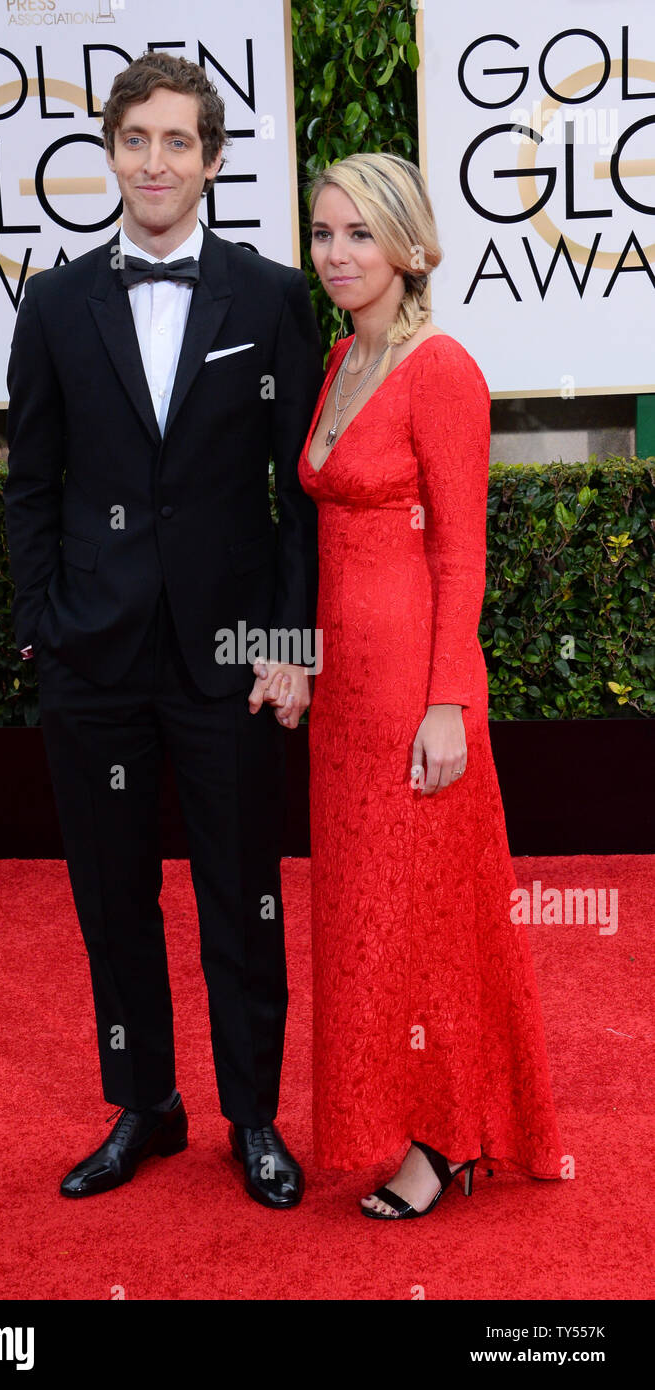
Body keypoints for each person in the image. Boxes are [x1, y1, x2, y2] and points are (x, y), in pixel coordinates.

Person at [3, 51, 323, 1208]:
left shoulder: (271, 295)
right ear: (110, 154)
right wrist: (41, 623)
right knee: (112, 894)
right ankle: (146, 1104)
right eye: (135, 140)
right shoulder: (53, 302)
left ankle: (253, 1117)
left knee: (243, 892)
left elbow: (301, 494)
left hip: (235, 654)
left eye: (176, 141)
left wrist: (294, 647)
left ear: (213, 160)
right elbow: (29, 482)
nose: (154, 161)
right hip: (93, 654)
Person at [273, 150, 564, 1218]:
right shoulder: (342, 360)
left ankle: (447, 1139)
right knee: (367, 916)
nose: (337, 254)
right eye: (322, 234)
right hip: (343, 694)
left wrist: (448, 700)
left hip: (412, 690)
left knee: (432, 917)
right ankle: (405, 1116)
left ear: (409, 244)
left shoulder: (439, 368)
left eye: (358, 233)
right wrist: (296, 659)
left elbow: (461, 553)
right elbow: (320, 538)